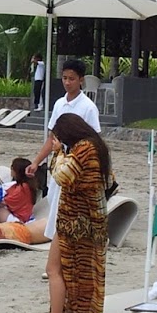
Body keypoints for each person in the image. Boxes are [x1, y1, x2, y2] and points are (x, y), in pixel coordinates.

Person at [31, 113, 113, 313]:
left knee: (58, 268)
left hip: (77, 222)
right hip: (88, 219)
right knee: (77, 270)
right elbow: (111, 182)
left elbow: (62, 176)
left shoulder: (84, 148)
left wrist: (58, 153)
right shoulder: (97, 146)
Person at [31, 59, 100, 246]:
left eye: (71, 79)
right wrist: (36, 161)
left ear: (80, 80)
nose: (67, 82)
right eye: (64, 78)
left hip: (76, 164)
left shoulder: (88, 107)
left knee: (67, 209)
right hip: (59, 164)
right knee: (54, 205)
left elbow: (95, 141)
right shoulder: (60, 104)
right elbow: (51, 137)